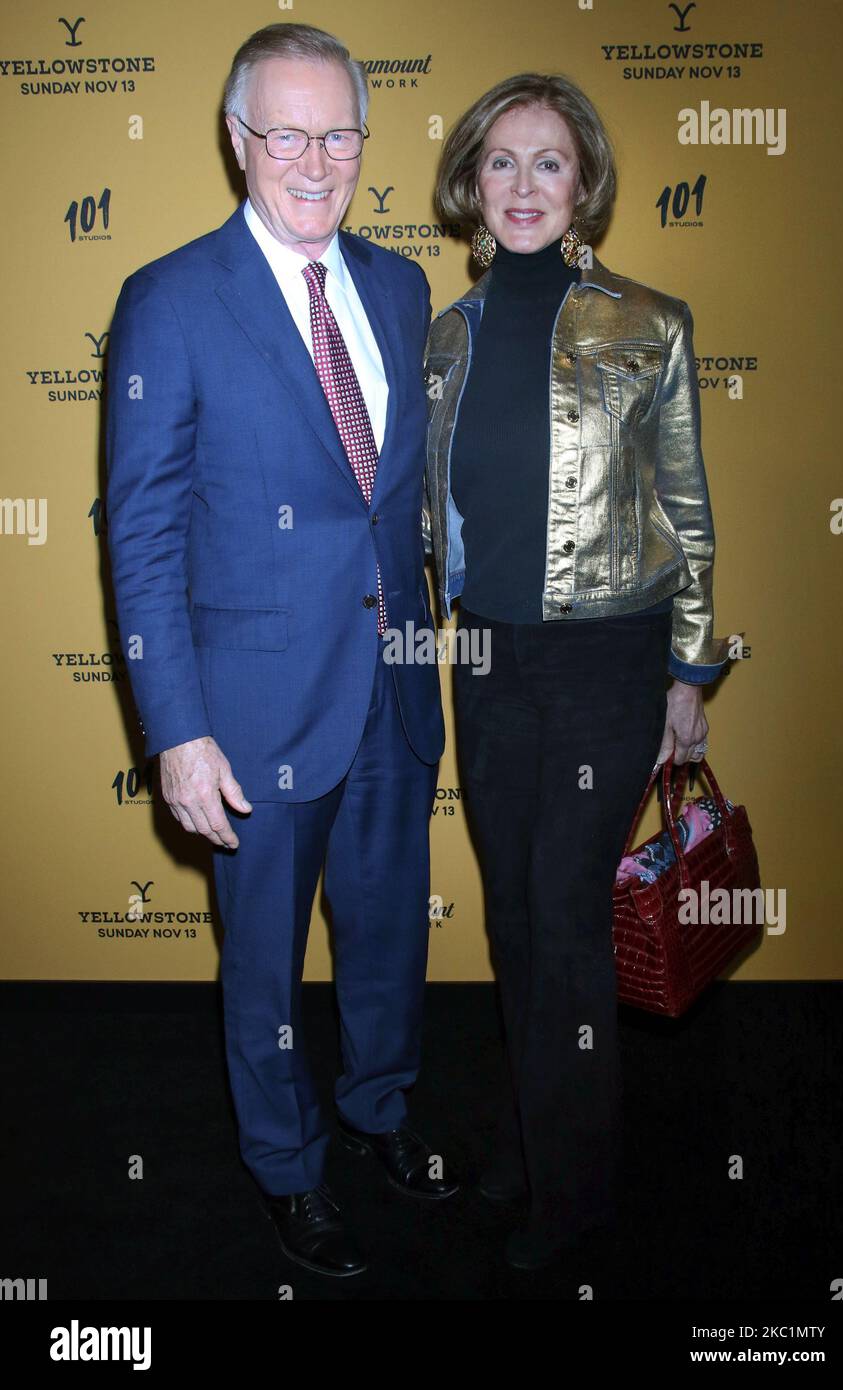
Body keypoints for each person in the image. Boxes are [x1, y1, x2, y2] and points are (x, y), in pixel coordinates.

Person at [106, 22, 456, 1281]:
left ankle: (378, 1110)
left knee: (387, 937)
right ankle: (286, 1168)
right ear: (236, 140)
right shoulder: (168, 300)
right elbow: (141, 532)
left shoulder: (403, 286)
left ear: (365, 137)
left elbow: (402, 498)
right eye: (286, 134)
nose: (316, 160)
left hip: (393, 692)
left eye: (340, 133)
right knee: (261, 963)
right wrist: (175, 727)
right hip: (248, 711)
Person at [423, 72, 731, 1270]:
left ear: (585, 181)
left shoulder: (651, 322)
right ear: (468, 183)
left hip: (608, 654)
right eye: (499, 162)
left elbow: (689, 512)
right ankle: (524, 1142)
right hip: (486, 658)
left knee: (561, 921)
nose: (521, 186)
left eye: (547, 162)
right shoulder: (445, 336)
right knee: (511, 919)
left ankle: (576, 1196)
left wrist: (688, 675)